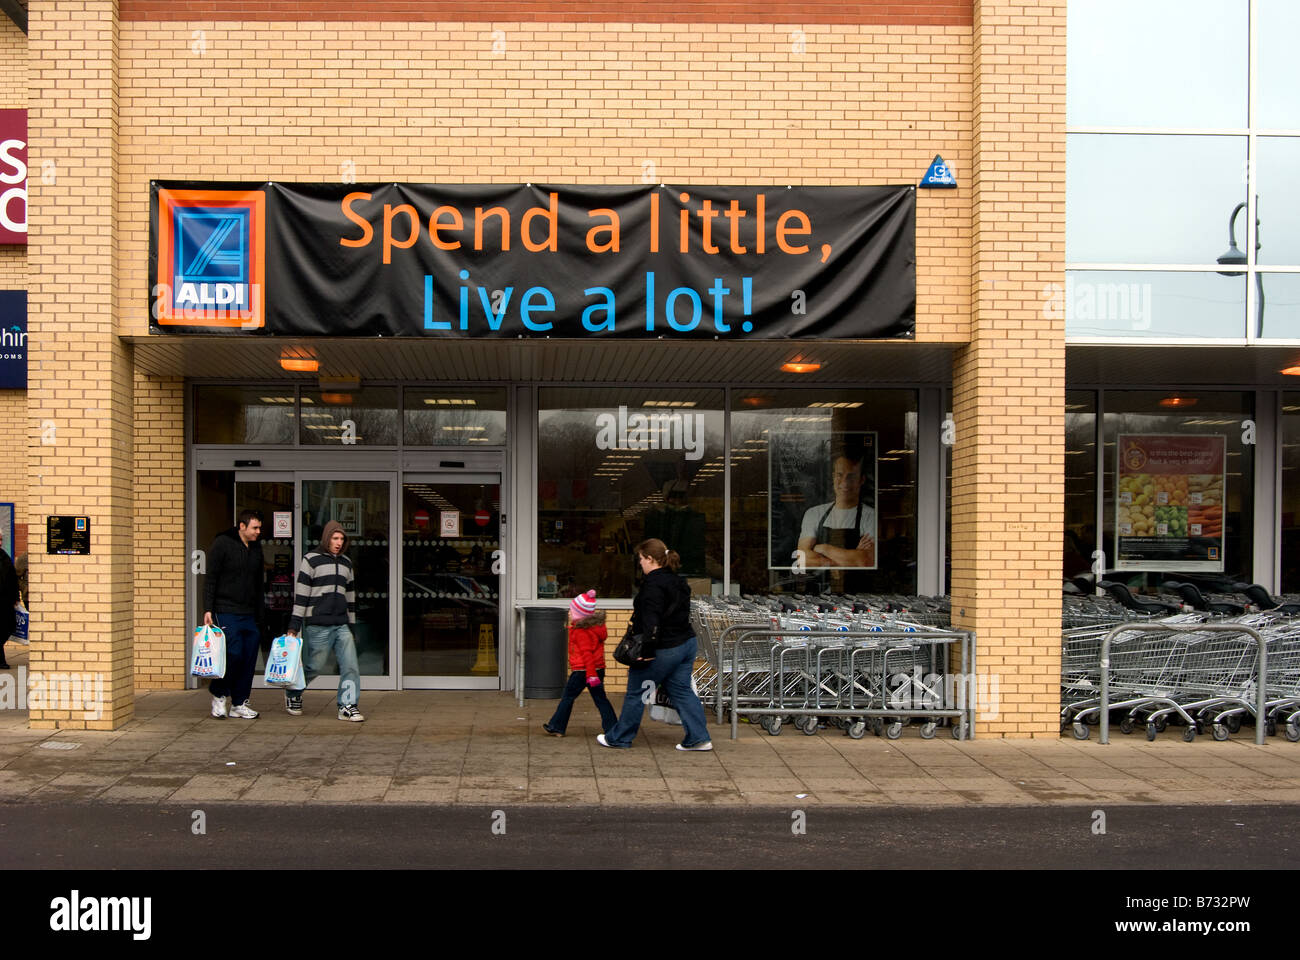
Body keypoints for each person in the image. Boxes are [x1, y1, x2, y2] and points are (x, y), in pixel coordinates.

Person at [597, 539, 712, 751]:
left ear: (650, 559)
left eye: (641, 559)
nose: (639, 563)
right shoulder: (678, 581)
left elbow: (652, 621)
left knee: (636, 692)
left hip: (663, 648)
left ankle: (620, 737)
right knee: (682, 691)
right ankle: (699, 737)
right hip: (686, 642)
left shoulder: (653, 585)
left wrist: (647, 652)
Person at [283, 520, 364, 722]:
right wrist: (294, 626)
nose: (338, 542)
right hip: (318, 624)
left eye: (341, 539)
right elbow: (301, 596)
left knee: (350, 666)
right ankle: (293, 693)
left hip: (341, 624)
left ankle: (347, 705)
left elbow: (351, 597)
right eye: (335, 538)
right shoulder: (311, 560)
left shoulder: (346, 563)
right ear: (327, 538)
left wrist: (352, 627)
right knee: (315, 666)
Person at [203, 509, 265, 719]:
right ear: (242, 526)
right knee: (233, 653)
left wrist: (260, 614)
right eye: (255, 527)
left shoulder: (256, 548)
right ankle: (219, 694)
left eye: (259, 527)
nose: (258, 531)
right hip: (225, 609)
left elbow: (258, 583)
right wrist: (208, 608)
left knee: (248, 657)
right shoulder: (222, 543)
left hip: (248, 612)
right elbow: (211, 578)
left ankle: (239, 703)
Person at [543, 589, 617, 736]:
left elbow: (586, 653)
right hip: (597, 668)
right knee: (601, 699)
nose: (569, 613)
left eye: (571, 611)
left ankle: (557, 726)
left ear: (580, 615)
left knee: (568, 697)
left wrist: (591, 674)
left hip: (584, 671)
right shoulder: (595, 627)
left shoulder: (581, 631)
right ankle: (613, 727)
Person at [796, 446, 876, 568]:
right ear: (833, 477)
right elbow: (802, 558)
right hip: (819, 585)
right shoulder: (813, 514)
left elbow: (866, 561)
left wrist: (823, 548)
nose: (844, 482)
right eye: (840, 475)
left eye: (851, 476)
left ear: (862, 480)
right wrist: (852, 557)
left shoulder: (871, 516)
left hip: (856, 586)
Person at [0, 532, 17, 669]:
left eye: (1, 539)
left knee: (9, 626)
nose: (0, 542)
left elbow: (12, 577)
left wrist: (15, 597)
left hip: (5, 601)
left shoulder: (3, 556)